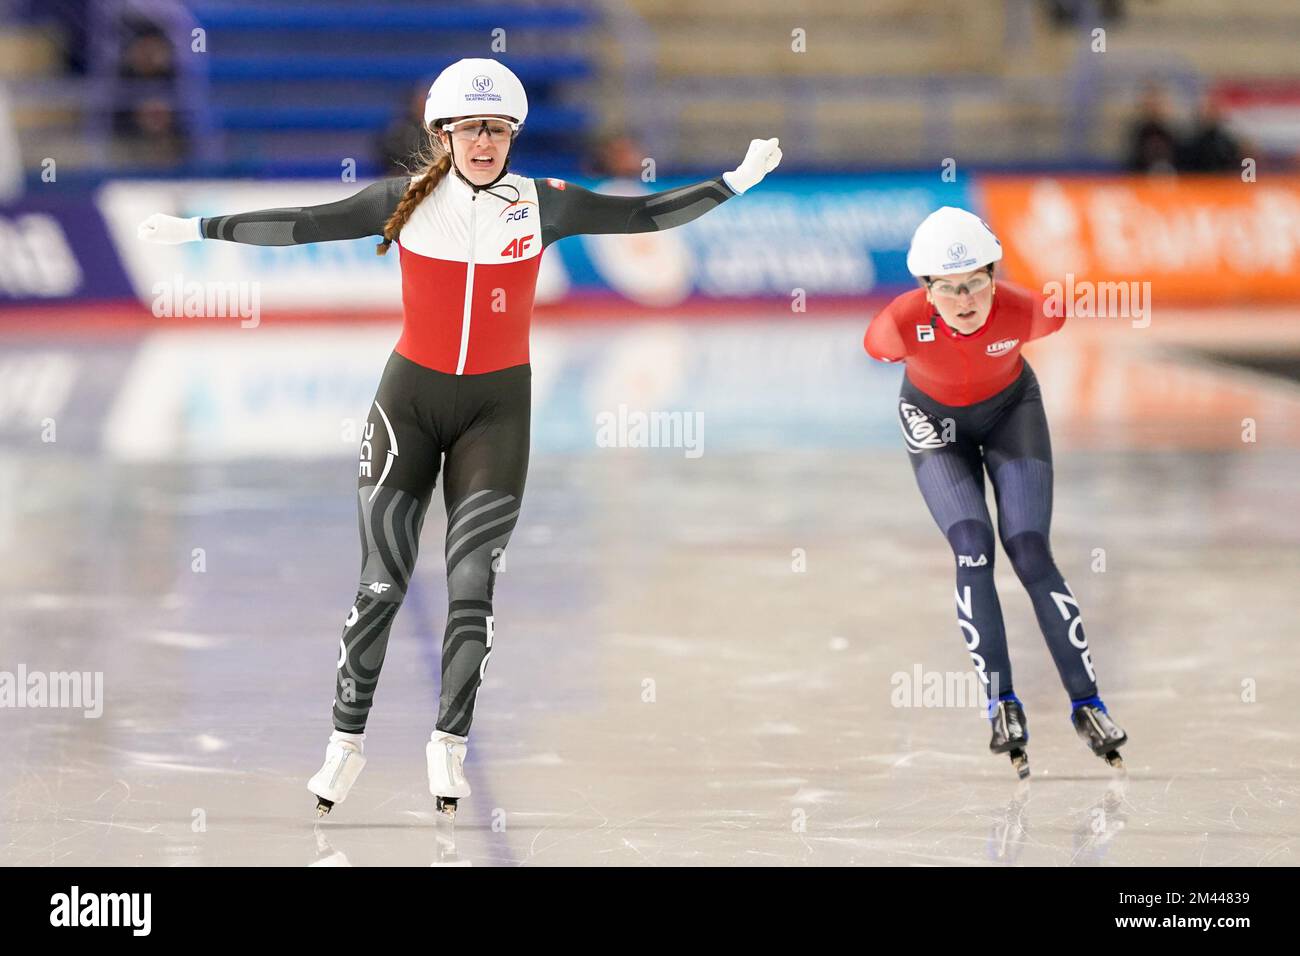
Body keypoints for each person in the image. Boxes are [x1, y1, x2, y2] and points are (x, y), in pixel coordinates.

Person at [138, 57, 782, 817]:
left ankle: (449, 746)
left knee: (473, 584)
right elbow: (304, 226)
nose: (484, 142)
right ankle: (343, 746)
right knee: (380, 584)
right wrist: (198, 228)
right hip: (408, 405)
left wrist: (735, 181)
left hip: (497, 413)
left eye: (497, 129)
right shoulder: (403, 202)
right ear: (442, 134)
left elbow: (642, 218)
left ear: (513, 135)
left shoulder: (545, 204)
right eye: (470, 128)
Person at [863, 206, 1127, 779]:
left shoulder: (1029, 312)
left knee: (1030, 550)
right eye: (950, 289)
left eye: (978, 284)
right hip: (935, 427)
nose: (966, 301)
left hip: (1012, 414)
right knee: (973, 546)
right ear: (926, 290)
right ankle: (1002, 703)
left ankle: (1089, 704)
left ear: (995, 277)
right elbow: (882, 356)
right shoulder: (894, 327)